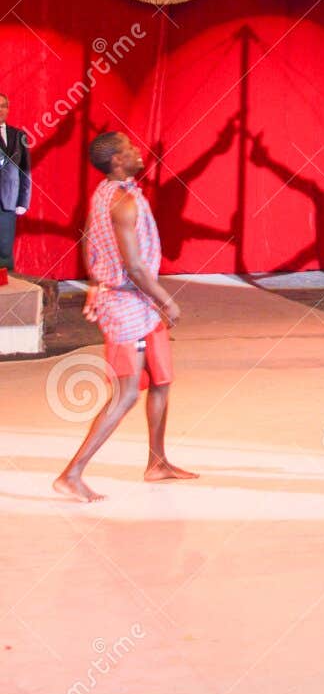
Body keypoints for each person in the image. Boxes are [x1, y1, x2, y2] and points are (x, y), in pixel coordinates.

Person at [54, 132, 196, 503]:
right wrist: (167, 301)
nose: (138, 152)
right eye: (131, 149)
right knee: (127, 393)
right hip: (128, 306)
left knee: (162, 379)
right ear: (117, 160)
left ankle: (157, 462)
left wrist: (92, 281)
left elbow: (89, 239)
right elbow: (133, 266)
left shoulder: (107, 192)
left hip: (139, 305)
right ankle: (72, 473)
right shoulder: (121, 202)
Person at [0, 93, 31, 272]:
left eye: (3, 105)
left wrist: (23, 201)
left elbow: (25, 170)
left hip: (8, 201)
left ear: (8, 109)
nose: (0, 110)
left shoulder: (19, 135)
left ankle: (8, 291)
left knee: (4, 249)